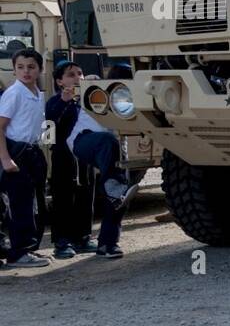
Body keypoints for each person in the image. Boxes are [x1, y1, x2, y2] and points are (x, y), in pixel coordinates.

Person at [45, 61, 137, 259]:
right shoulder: (55, 101)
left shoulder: (93, 95)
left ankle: (101, 242)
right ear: (60, 81)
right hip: (65, 154)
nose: (78, 77)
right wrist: (64, 101)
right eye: (71, 74)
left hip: (100, 150)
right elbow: (47, 133)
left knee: (101, 194)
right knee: (64, 197)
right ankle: (62, 242)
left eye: (80, 73)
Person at [0, 48, 50, 268]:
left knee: (34, 203)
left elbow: (42, 125)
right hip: (15, 152)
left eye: (31, 67)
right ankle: (18, 253)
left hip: (32, 151)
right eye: (20, 67)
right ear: (14, 70)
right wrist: (5, 159)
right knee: (19, 203)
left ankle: (28, 249)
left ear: (40, 69)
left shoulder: (39, 94)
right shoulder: (15, 93)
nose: (26, 72)